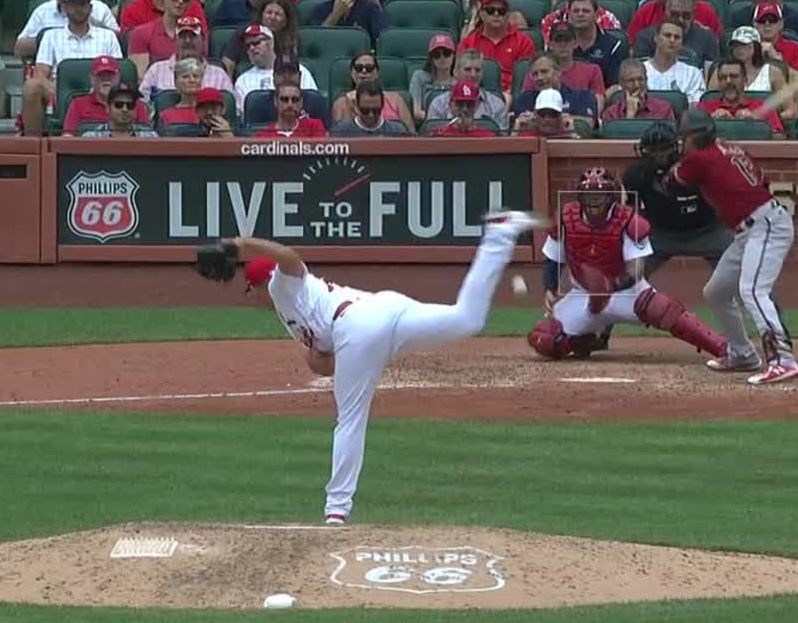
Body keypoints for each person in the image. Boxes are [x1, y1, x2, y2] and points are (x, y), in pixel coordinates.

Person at [192, 211, 547, 523]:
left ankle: (336, 509)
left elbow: (289, 256)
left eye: (247, 289)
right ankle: (500, 233)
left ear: (258, 284)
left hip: (359, 323)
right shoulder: (293, 310)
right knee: (466, 320)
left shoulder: (280, 286)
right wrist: (317, 358)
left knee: (350, 418)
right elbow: (323, 361)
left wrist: (239, 244)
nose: (248, 298)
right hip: (384, 312)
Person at [527, 167, 727, 362]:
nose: (594, 202)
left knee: (663, 310)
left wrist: (610, 287)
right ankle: (588, 339)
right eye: (589, 196)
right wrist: (549, 288)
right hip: (584, 294)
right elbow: (554, 258)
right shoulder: (566, 219)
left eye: (600, 195)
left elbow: (637, 268)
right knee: (545, 338)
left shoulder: (629, 221)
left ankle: (723, 348)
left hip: (626, 292)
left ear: (611, 196)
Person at [665, 110, 798, 384]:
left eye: (684, 137)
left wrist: (662, 164)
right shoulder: (729, 147)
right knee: (716, 292)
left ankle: (783, 359)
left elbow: (673, 182)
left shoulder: (699, 158)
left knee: (752, 290)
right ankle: (742, 354)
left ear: (694, 136)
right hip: (749, 228)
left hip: (765, 225)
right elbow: (761, 180)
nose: (682, 143)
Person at [623, 120, 736, 280]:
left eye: (664, 150)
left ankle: (766, 305)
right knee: (626, 277)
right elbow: (631, 212)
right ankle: (614, 304)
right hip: (660, 234)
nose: (658, 156)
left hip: (709, 231)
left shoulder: (699, 166)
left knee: (745, 277)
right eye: (652, 150)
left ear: (677, 148)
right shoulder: (636, 175)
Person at [18, 0, 124, 137]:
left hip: (102, 91)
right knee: (31, 86)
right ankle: (34, 146)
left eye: (82, 4)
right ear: (65, 7)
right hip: (60, 94)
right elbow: (40, 74)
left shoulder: (107, 36)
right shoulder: (50, 36)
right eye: (73, 4)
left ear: (90, 7)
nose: (78, 9)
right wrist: (59, 92)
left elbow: (118, 71)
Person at [16, 0, 119, 59]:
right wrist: (56, 39)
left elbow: (119, 42)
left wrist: (93, 26)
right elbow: (19, 49)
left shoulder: (100, 9)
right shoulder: (43, 12)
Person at [457, 0, 535, 94]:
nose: (496, 14)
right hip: (476, 93)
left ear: (508, 15)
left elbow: (526, 77)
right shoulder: (469, 42)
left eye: (501, 11)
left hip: (511, 94)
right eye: (490, 10)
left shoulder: (523, 42)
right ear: (482, 14)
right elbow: (460, 74)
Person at [129, 0, 205, 77]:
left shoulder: (197, 35)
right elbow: (141, 76)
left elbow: (202, 66)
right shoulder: (141, 33)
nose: (180, 2)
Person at [140, 20, 228, 100]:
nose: (188, 41)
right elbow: (144, 105)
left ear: (203, 40)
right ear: (175, 40)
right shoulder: (156, 70)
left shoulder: (219, 75)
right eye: (182, 36)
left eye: (193, 36)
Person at [634, 0, 721, 68]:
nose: (680, 20)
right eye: (675, 14)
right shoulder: (646, 37)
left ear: (694, 13)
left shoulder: (707, 38)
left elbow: (711, 74)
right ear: (666, 11)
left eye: (686, 15)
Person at [233, 24, 320, 106]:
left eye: (256, 43)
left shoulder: (299, 71)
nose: (251, 48)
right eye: (248, 46)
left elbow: (312, 103)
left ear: (271, 43)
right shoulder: (243, 81)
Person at [696, 58, 786, 136]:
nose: (728, 81)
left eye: (734, 76)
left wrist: (757, 124)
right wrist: (710, 122)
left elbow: (781, 139)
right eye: (723, 77)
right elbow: (692, 139)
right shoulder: (704, 108)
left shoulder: (764, 107)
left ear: (745, 80)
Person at [65, 55, 153, 134]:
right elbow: (68, 137)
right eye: (101, 75)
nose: (106, 79)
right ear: (92, 78)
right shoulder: (78, 105)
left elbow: (147, 135)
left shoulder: (135, 104)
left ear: (118, 77)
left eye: (110, 75)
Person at [525, 22, 605, 101]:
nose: (563, 44)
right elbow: (526, 100)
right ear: (550, 45)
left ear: (575, 43)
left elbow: (597, 104)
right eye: (558, 40)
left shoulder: (593, 71)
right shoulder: (537, 72)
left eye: (567, 40)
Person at [426, 48, 508, 124]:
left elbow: (502, 137)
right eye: (467, 70)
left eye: (477, 70)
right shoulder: (438, 104)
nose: (473, 75)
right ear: (455, 72)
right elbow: (431, 135)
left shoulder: (496, 105)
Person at [331, 52, 412, 125]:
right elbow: (340, 136)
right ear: (352, 73)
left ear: (377, 73)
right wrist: (350, 107)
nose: (364, 71)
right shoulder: (341, 103)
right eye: (358, 68)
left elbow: (411, 135)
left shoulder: (396, 100)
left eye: (369, 68)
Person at [513, 52, 599, 121]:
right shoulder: (524, 100)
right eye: (535, 74)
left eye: (544, 72)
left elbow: (587, 124)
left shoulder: (582, 98)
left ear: (558, 72)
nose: (539, 78)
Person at [567, 0, 628, 87]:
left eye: (586, 11)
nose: (580, 14)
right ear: (569, 15)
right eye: (576, 11)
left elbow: (616, 87)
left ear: (596, 15)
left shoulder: (614, 46)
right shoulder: (560, 44)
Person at [643, 20, 706, 105]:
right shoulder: (640, 70)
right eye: (667, 35)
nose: (672, 40)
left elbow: (695, 107)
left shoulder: (693, 74)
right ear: (656, 38)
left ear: (682, 43)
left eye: (677, 37)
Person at [601, 58, 677, 121]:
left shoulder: (664, 110)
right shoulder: (611, 114)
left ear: (646, 80)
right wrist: (630, 114)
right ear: (622, 84)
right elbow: (619, 139)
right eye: (631, 80)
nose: (637, 85)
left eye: (640, 79)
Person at [329, 80, 412, 136]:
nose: (371, 115)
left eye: (376, 110)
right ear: (357, 106)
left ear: (382, 105)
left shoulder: (397, 131)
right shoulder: (341, 131)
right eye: (365, 110)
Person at [77, 82, 159, 138]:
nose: (125, 109)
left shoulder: (150, 136)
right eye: (119, 105)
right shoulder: (91, 137)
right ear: (108, 108)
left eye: (130, 105)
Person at [410, 33, 457, 125]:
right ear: (431, 59)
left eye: (447, 53)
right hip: (427, 126)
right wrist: (440, 119)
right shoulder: (419, 77)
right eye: (437, 55)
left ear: (453, 55)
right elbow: (416, 112)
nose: (442, 58)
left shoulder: (459, 80)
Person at [257, 83, 329, 136]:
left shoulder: (314, 127)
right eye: (284, 99)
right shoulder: (263, 136)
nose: (290, 105)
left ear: (301, 103)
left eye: (295, 100)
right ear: (276, 102)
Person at [432, 79, 498, 135]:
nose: (464, 109)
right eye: (460, 103)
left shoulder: (488, 138)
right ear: (450, 104)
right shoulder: (439, 136)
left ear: (477, 105)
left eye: (470, 104)